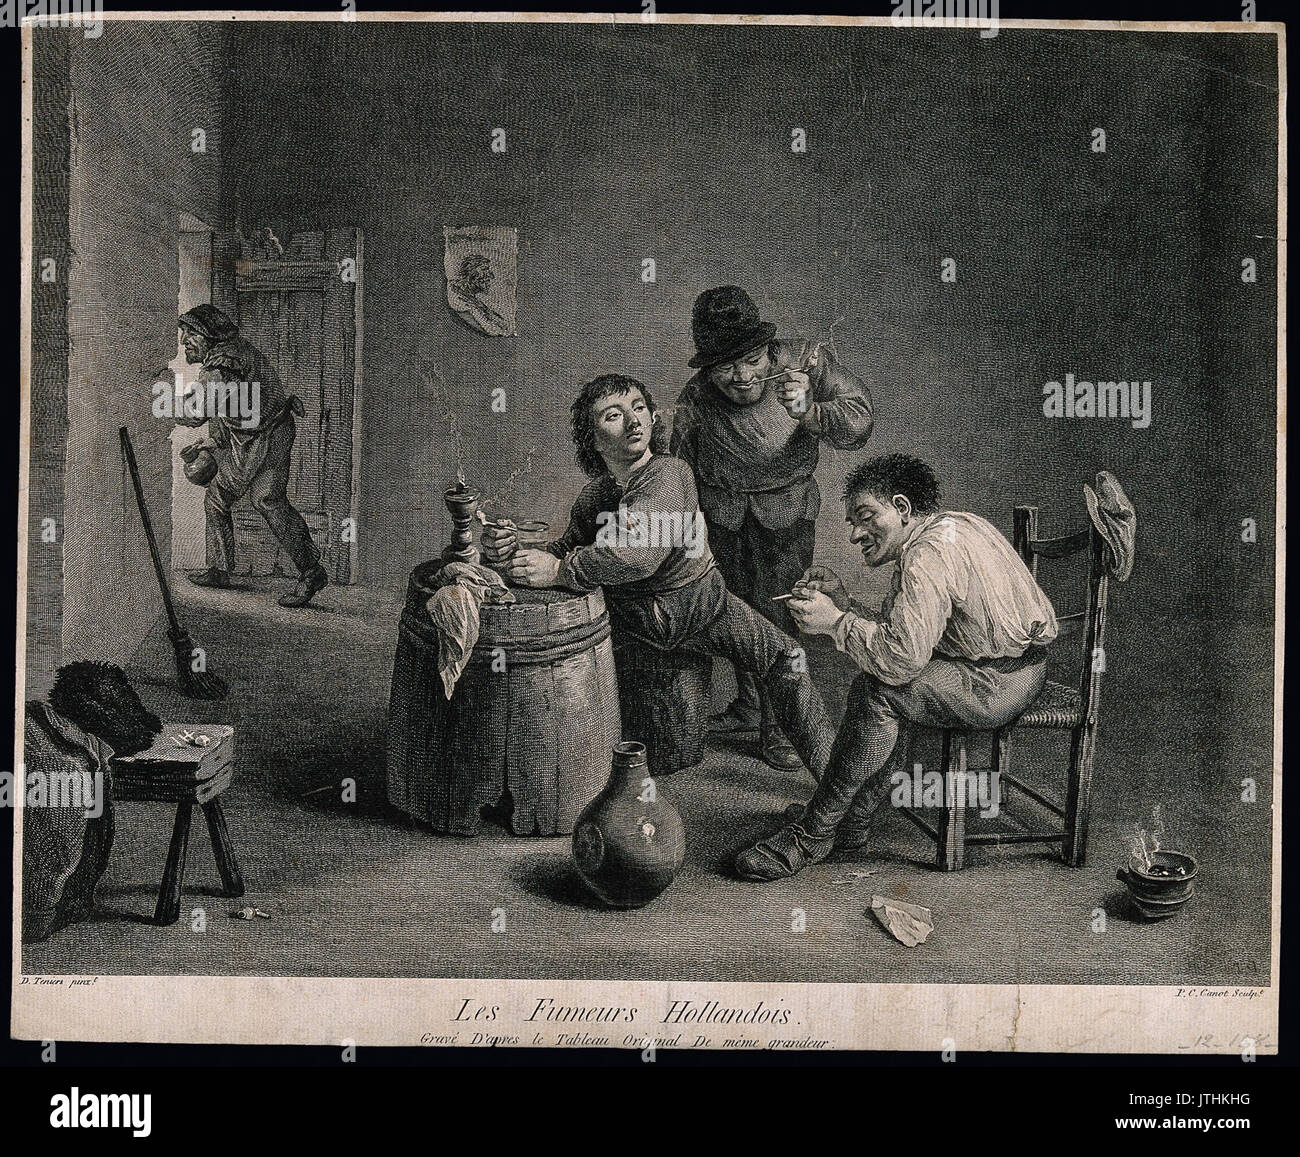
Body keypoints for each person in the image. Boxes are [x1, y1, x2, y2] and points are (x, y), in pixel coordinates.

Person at [480, 373, 834, 780]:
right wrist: (513, 555)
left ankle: (836, 790)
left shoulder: (668, 473)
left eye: (639, 409)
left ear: (651, 420)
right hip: (652, 629)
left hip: (697, 610)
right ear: (593, 440)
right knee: (671, 754)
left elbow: (635, 556)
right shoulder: (595, 497)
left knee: (781, 663)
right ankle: (837, 790)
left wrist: (560, 569)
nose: (633, 421)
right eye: (614, 415)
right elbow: (568, 552)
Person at [735, 454, 1059, 881]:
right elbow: (905, 637)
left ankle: (816, 831)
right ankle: (851, 822)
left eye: (866, 517)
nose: (855, 534)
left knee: (879, 691)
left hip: (998, 682)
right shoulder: (950, 528)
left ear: (903, 508)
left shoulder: (928, 555)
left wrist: (834, 622)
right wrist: (845, 603)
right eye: (852, 522)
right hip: (1009, 668)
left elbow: (900, 660)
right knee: (886, 687)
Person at [671, 285, 874, 771]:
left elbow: (860, 423)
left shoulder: (805, 366)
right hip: (720, 514)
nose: (741, 376)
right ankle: (748, 706)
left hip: (785, 513)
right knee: (735, 611)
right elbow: (677, 462)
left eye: (751, 359)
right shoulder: (696, 395)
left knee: (780, 615)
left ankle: (781, 727)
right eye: (725, 366)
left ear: (767, 349)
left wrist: (811, 411)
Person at [175, 304, 328, 608]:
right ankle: (220, 569)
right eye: (184, 332)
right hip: (248, 436)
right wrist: (210, 444)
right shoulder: (227, 356)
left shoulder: (224, 365)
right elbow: (226, 410)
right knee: (217, 496)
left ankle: (312, 572)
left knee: (267, 500)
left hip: (270, 434)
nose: (183, 341)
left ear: (209, 336)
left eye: (191, 333)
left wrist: (156, 396)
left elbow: (194, 413)